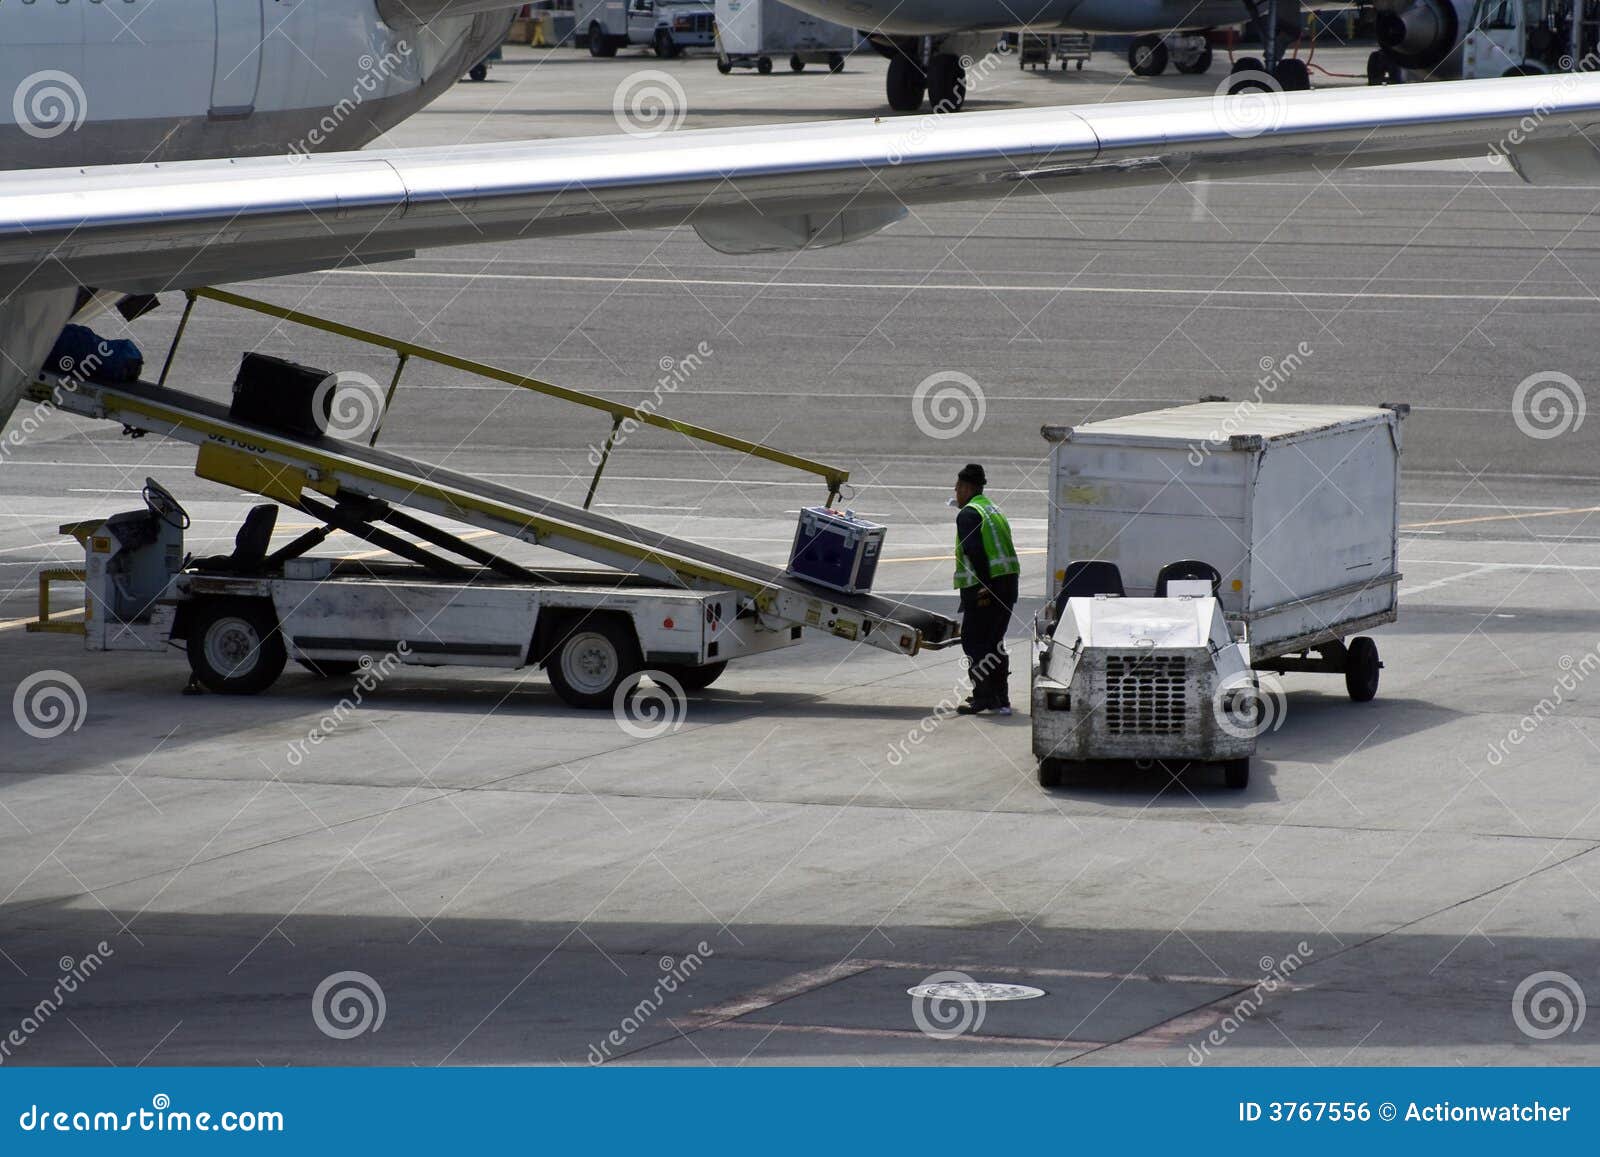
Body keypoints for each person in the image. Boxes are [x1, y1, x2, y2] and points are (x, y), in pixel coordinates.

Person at [952, 463, 1019, 715]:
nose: (956, 492)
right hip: (1008, 584)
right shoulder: (992, 510)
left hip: (987, 587)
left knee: (974, 642)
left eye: (957, 488)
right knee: (994, 643)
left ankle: (983, 697)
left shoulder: (969, 514)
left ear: (967, 488)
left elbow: (975, 551)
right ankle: (1001, 698)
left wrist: (984, 586)